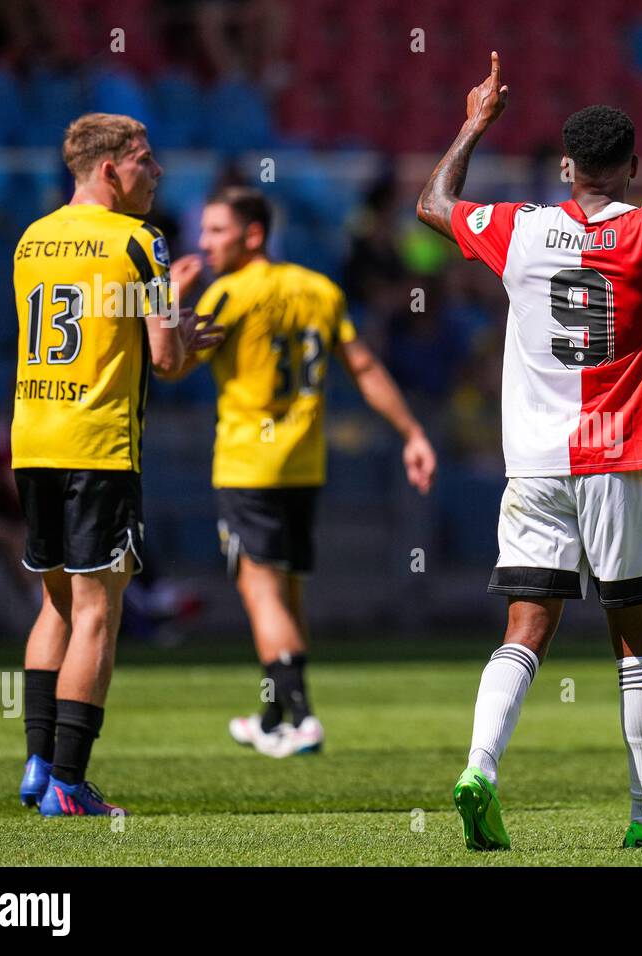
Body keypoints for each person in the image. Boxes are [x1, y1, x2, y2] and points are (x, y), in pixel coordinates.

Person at [417, 35, 642, 850]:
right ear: (634, 165)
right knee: (637, 641)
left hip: (533, 464)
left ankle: (479, 766)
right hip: (619, 460)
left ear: (566, 169)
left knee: (525, 625)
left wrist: (475, 122)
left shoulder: (520, 229)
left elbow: (432, 205)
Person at [168, 187, 436, 757]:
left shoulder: (230, 295)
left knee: (261, 592)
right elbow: (362, 366)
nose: (204, 242)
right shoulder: (318, 289)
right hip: (304, 463)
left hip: (247, 464)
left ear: (254, 234)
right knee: (287, 593)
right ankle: (272, 716)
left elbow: (172, 366)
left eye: (217, 231)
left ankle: (304, 718)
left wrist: (172, 303)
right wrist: (411, 432)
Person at [13, 113, 220, 816]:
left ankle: (39, 766)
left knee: (53, 603)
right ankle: (69, 784)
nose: (156, 172)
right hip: (97, 445)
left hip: (32, 438)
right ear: (109, 170)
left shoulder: (31, 238)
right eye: (145, 160)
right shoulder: (140, 243)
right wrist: (191, 341)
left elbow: (90, 323)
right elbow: (162, 361)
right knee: (99, 610)